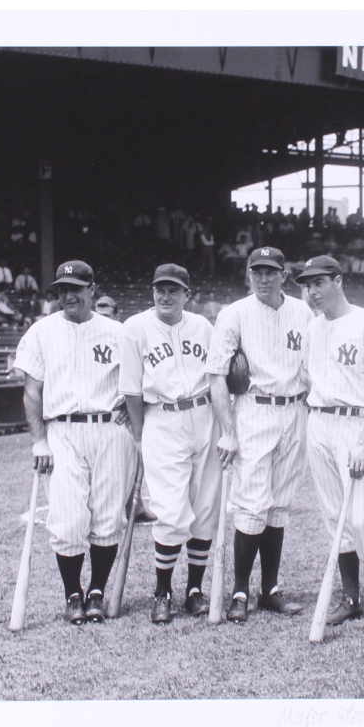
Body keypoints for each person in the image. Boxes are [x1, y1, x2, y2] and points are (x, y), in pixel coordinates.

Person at [13, 260, 138, 625]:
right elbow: (31, 392)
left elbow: (137, 382)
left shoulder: (118, 332)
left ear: (91, 289)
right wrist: (39, 441)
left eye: (76, 288)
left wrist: (134, 410)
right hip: (63, 430)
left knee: (107, 517)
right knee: (67, 521)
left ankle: (96, 591)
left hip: (110, 430)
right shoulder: (41, 331)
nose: (69, 295)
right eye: (62, 289)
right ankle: (72, 594)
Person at [207, 247, 313, 623]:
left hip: (295, 409)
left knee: (279, 503)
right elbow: (217, 376)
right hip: (253, 408)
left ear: (284, 274)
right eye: (257, 272)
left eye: (271, 272)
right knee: (252, 504)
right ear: (248, 274)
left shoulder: (302, 312)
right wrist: (228, 432)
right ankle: (239, 590)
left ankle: (270, 589)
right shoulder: (233, 313)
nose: (264, 278)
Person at [295, 256, 364, 630]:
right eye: (307, 285)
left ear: (338, 281)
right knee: (335, 517)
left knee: (363, 520)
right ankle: (352, 598)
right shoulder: (312, 328)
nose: (312, 292)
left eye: (319, 283)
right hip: (320, 421)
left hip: (359, 424)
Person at [119, 264, 224, 623]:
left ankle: (194, 590)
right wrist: (138, 434)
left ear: (186, 295)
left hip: (205, 415)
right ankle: (162, 591)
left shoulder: (203, 326)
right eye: (160, 289)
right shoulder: (135, 328)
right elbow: (131, 389)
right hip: (162, 419)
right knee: (171, 510)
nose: (166, 296)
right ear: (152, 292)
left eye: (174, 290)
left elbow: (217, 377)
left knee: (205, 507)